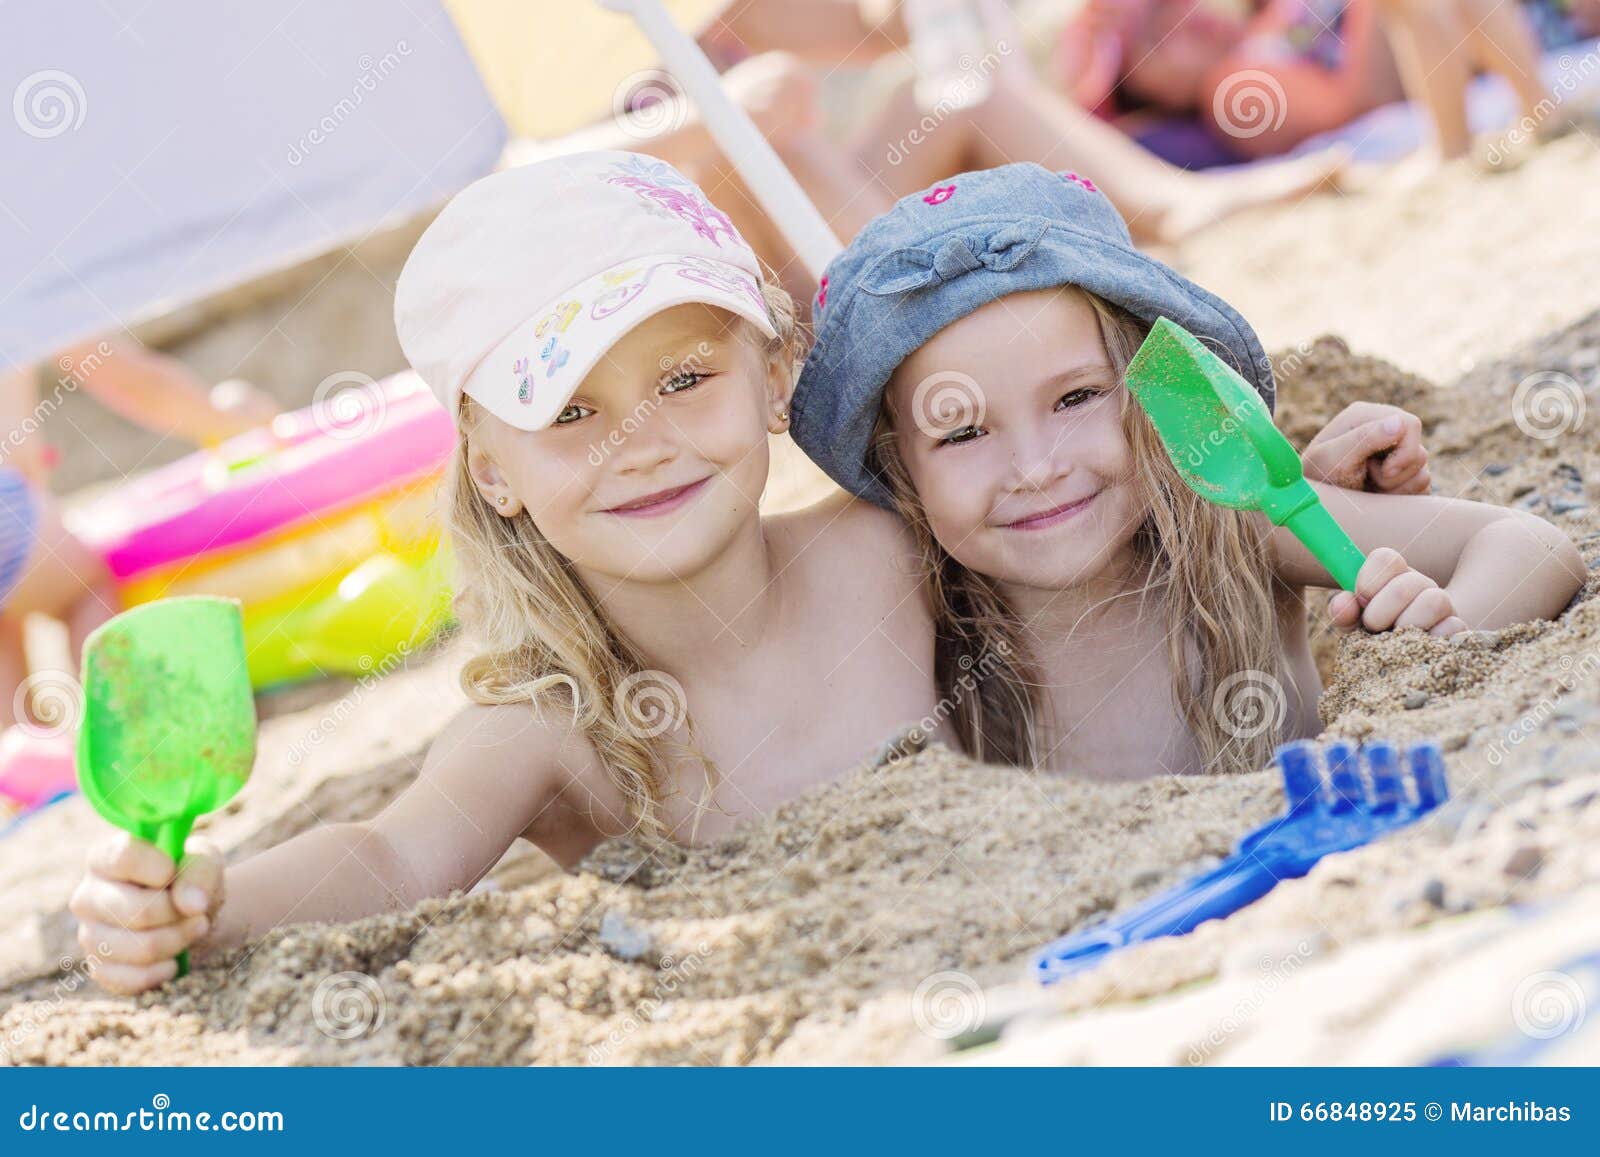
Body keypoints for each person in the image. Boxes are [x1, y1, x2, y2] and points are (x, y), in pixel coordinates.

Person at [70, 152, 1434, 994]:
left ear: (772, 377)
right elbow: (392, 852)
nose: (645, 442)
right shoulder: (556, 720)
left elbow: (1081, 504)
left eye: (683, 375)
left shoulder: (890, 545)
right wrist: (206, 905)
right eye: (572, 414)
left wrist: (1314, 481)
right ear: (493, 467)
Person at [789, 162, 1585, 778]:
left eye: (1075, 398)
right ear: (901, 471)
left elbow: (1531, 546)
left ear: (1156, 389)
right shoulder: (921, 625)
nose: (1034, 467)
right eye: (962, 433)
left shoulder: (1240, 519)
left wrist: (1441, 642)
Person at [0, 340, 279, 729]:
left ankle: (29, 766)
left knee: (7, 617)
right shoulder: (22, 287)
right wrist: (226, 419)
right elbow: (133, 380)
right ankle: (124, 731)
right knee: (84, 589)